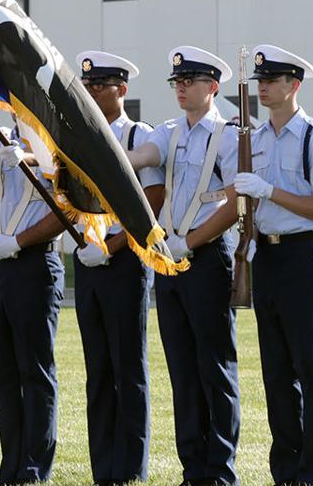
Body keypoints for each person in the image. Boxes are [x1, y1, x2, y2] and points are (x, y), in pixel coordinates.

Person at [126, 46, 240, 486]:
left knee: (215, 366)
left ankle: (220, 469)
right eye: (177, 82)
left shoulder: (229, 135)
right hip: (169, 261)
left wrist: (189, 243)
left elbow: (234, 204)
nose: (181, 89)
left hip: (206, 256)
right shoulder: (169, 131)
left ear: (212, 87)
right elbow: (144, 157)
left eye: (189, 82)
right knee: (182, 368)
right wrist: (113, 158)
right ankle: (193, 467)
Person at [229, 45, 313, 486]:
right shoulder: (253, 140)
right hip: (269, 258)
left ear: (293, 85)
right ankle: (285, 472)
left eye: (271, 81)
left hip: (304, 258)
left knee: (310, 373)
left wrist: (269, 190)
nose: (263, 88)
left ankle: (311, 475)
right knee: (276, 375)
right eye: (259, 81)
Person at [73, 51, 166, 486]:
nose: (91, 92)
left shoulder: (137, 135)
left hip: (125, 262)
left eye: (100, 86)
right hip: (88, 262)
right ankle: (103, 467)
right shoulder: (81, 137)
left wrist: (109, 247)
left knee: (128, 369)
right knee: (98, 371)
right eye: (87, 86)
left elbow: (152, 206)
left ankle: (129, 468)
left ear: (122, 90)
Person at [0, 123, 65, 484]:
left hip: (33, 262)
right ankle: (11, 463)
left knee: (35, 370)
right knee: (4, 373)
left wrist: (19, 241)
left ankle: (33, 466)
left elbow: (68, 208)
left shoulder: (54, 141)